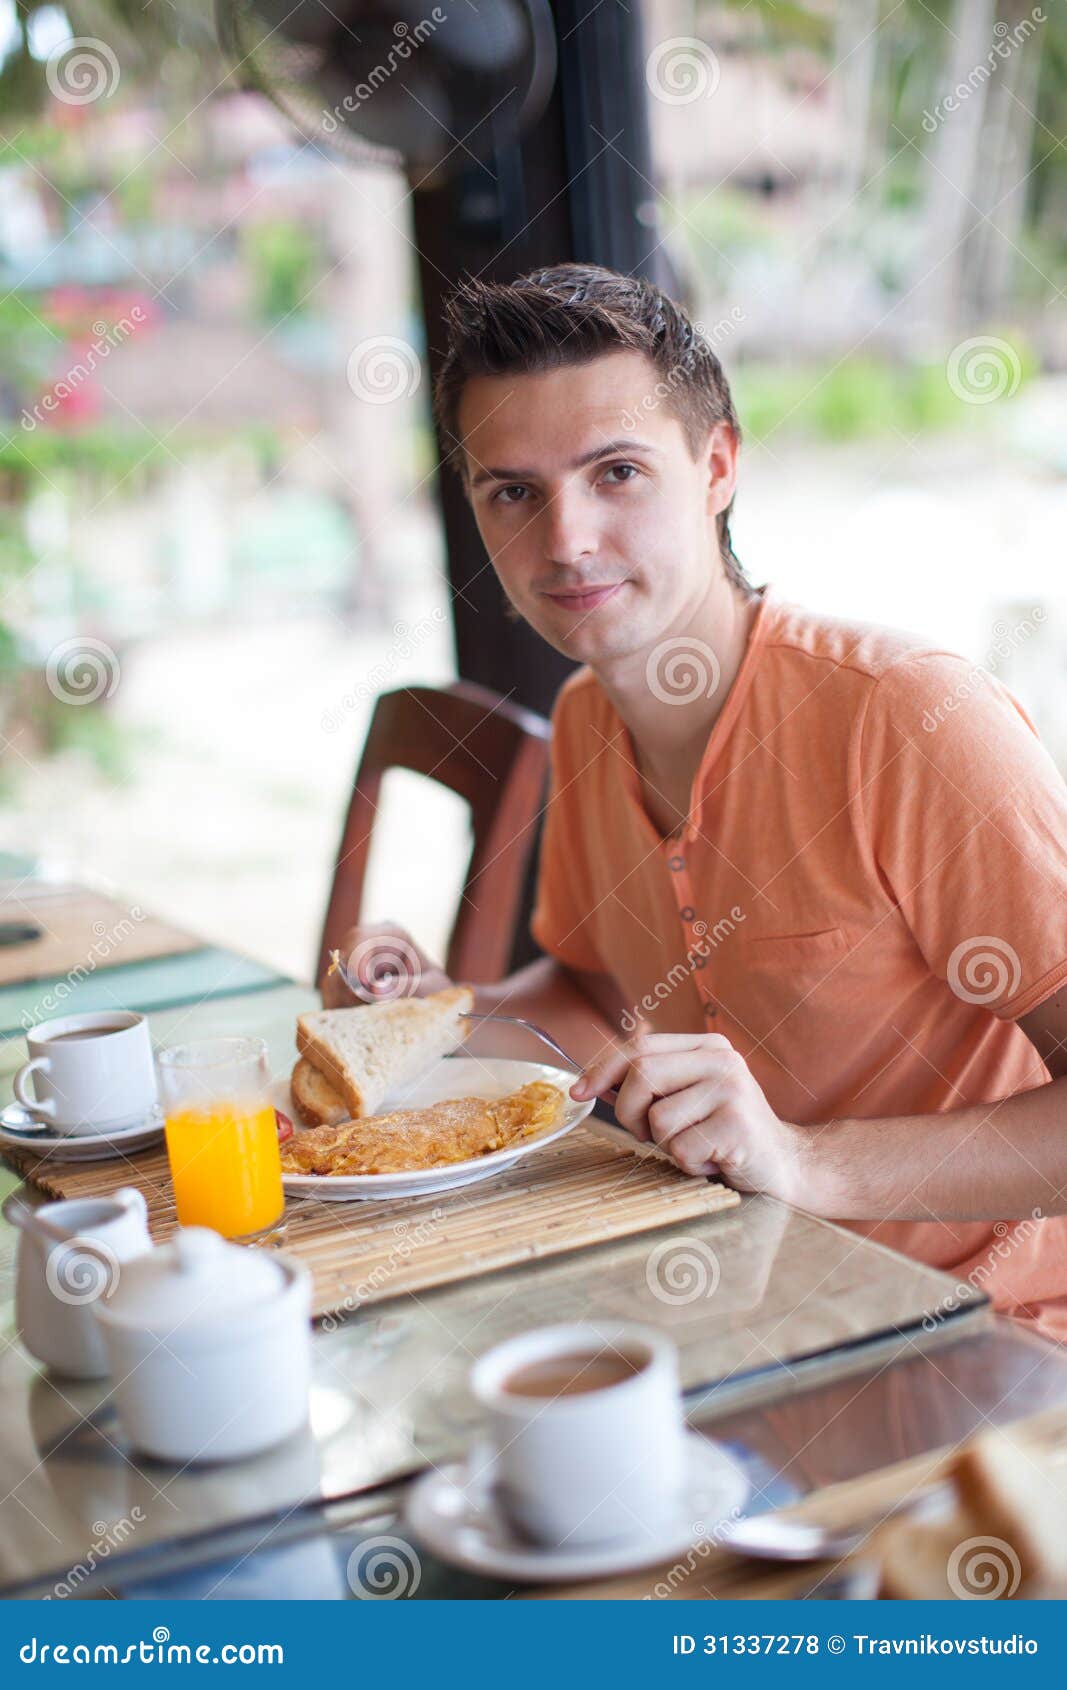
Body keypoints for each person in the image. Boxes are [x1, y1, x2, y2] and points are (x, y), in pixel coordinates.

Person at [324, 263, 1067, 1344]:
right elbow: (591, 987)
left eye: (615, 472)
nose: (565, 540)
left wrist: (802, 1160)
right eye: (512, 491)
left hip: (988, 1333)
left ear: (715, 464)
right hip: (737, 1302)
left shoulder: (905, 718)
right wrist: (438, 1016)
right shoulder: (587, 716)